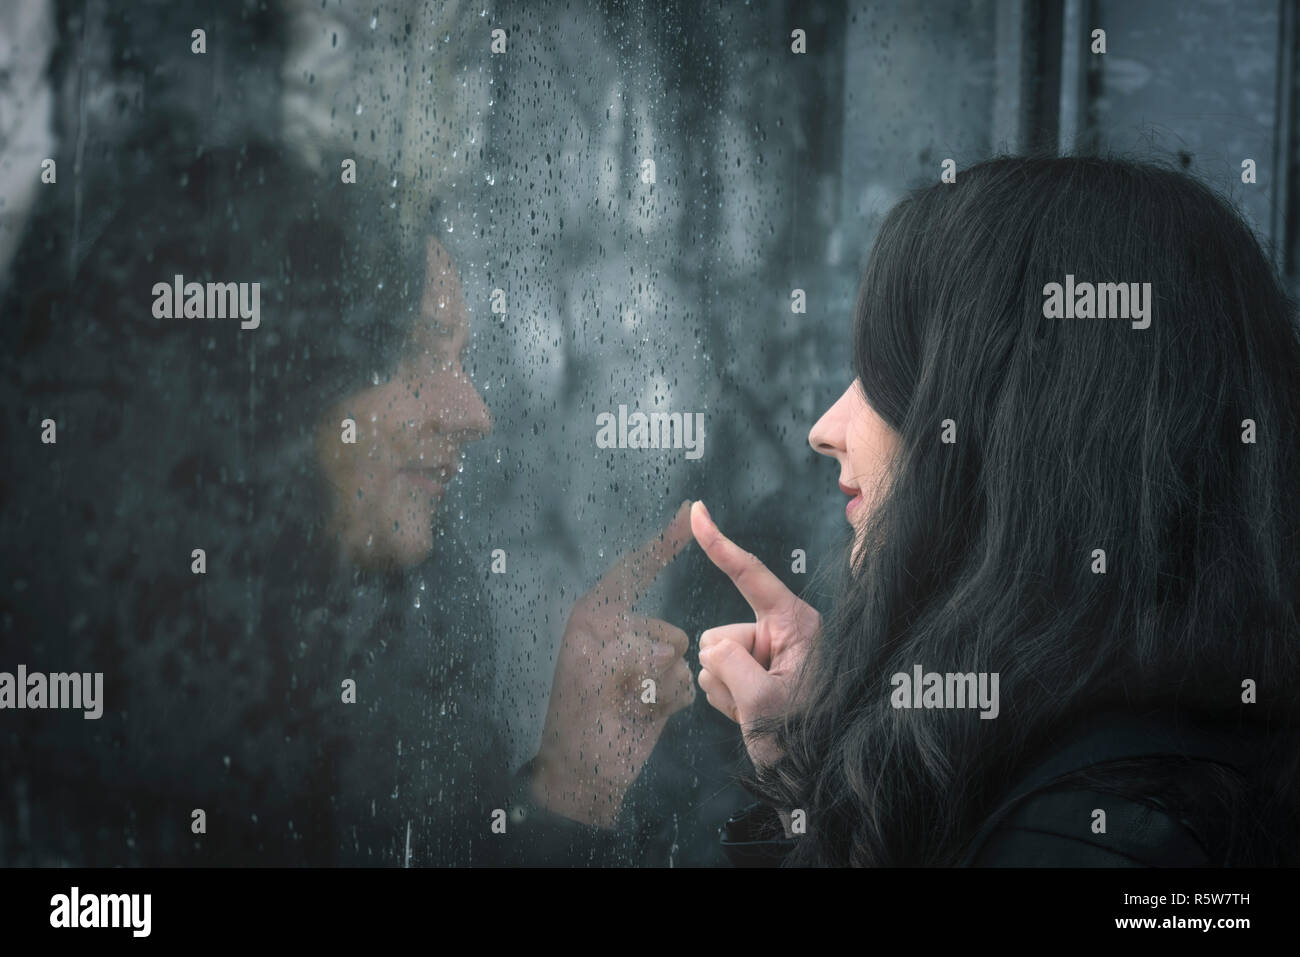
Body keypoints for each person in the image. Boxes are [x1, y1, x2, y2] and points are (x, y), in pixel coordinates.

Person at [0, 139, 695, 866]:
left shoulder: (416, 632)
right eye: (417, 354)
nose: (473, 411)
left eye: (460, 360)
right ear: (279, 387)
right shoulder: (91, 694)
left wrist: (574, 784)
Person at [691, 155, 1300, 866]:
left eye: (890, 373)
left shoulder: (1073, 836)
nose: (825, 427)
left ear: (1023, 425)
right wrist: (803, 754)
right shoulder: (1150, 769)